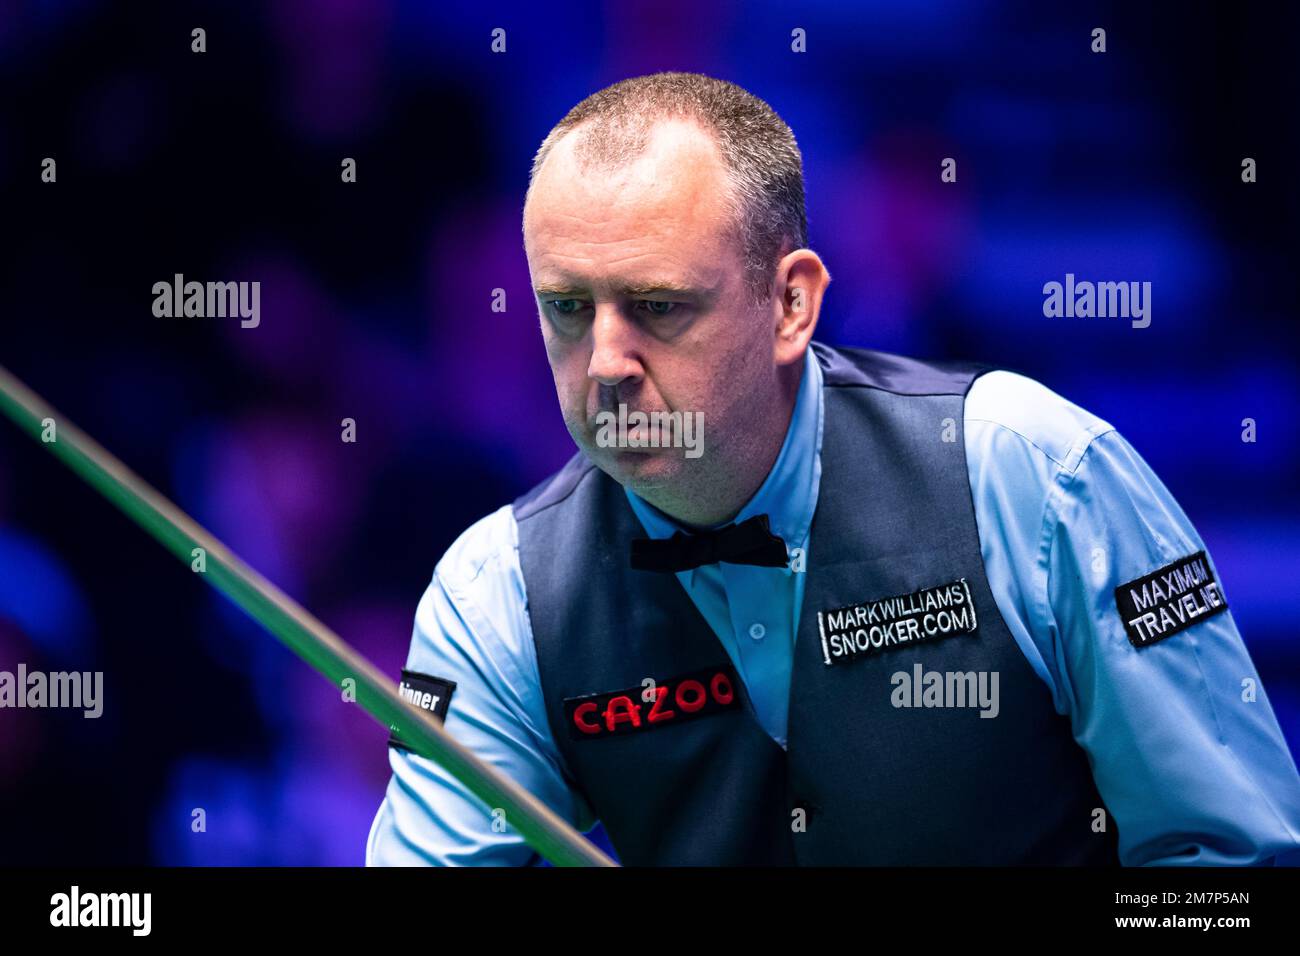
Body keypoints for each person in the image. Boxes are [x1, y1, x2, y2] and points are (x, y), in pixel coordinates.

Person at [366, 71, 1300, 865]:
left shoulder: (1032, 476)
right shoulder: (496, 595)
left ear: (791, 305)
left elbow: (1231, 868)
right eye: (567, 308)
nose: (605, 361)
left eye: (657, 305)